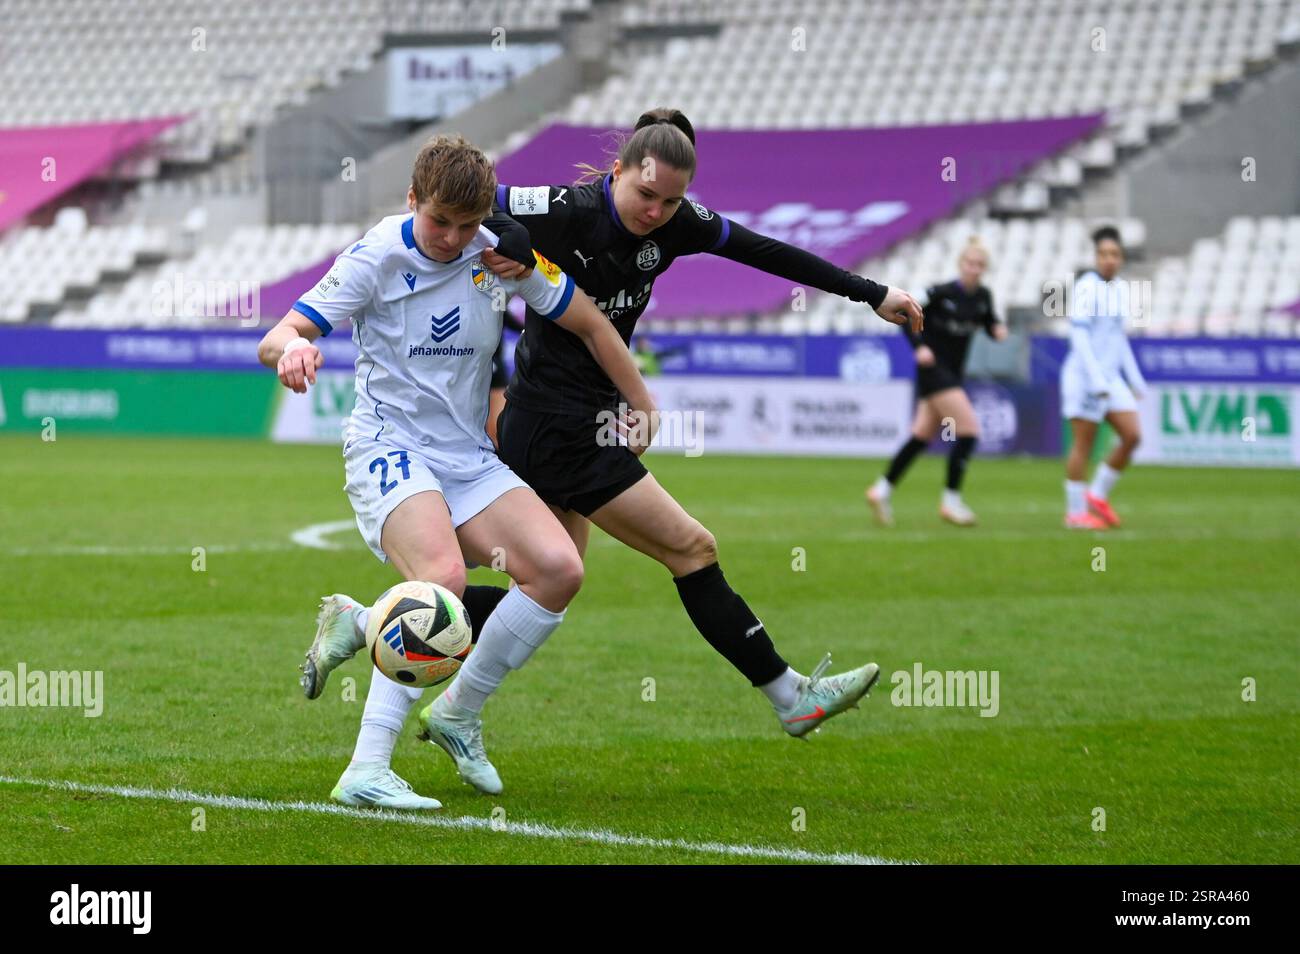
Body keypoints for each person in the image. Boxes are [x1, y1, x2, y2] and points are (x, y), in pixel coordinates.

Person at [485, 107, 924, 737]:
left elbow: (769, 253)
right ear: (618, 172)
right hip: (556, 423)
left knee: (544, 589)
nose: (656, 212)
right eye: (645, 194)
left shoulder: (679, 223)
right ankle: (789, 695)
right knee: (691, 547)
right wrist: (514, 241)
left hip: (578, 420)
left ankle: (375, 628)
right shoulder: (566, 208)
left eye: (670, 201)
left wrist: (870, 292)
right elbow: (478, 198)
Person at [257, 134, 656, 808]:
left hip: (466, 455)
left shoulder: (499, 249)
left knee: (559, 570)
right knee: (441, 580)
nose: (451, 236)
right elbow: (279, 334)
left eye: (466, 224)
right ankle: (366, 769)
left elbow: (590, 324)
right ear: (413, 199)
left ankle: (453, 709)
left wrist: (642, 400)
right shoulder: (377, 255)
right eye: (439, 219)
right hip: (388, 445)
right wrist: (293, 351)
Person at [866, 237, 1008, 527]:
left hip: (953, 373)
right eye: (970, 263)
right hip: (935, 371)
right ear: (961, 265)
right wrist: (919, 347)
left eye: (980, 265)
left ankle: (881, 490)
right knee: (969, 431)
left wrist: (997, 330)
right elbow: (906, 314)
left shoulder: (983, 297)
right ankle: (951, 501)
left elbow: (990, 325)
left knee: (921, 437)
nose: (975, 269)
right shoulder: (941, 293)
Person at [1061, 225, 1146, 529]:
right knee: (1084, 443)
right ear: (1096, 257)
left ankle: (1097, 494)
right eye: (1103, 254)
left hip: (1111, 378)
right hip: (1085, 377)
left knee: (1132, 436)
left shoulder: (1122, 289)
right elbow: (1079, 339)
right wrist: (1096, 380)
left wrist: (1134, 379)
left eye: (1114, 254)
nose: (1109, 259)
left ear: (1121, 257)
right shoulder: (1086, 287)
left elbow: (1118, 339)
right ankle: (1074, 513)